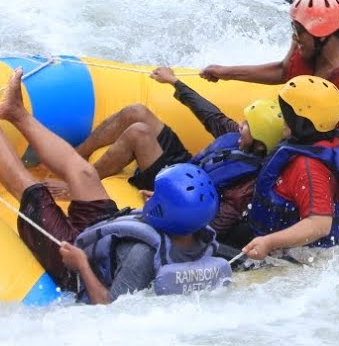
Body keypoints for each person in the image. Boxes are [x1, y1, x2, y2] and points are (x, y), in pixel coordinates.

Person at [0, 63, 230, 303]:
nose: (148, 196)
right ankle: (16, 112)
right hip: (106, 233)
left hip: (80, 263)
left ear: (164, 212)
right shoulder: (199, 235)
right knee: (85, 174)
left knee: (31, 191)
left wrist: (80, 265)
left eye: (155, 198)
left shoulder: (142, 256)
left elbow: (110, 310)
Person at [73, 65, 287, 248]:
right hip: (185, 165)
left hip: (180, 192)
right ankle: (76, 157)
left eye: (247, 125)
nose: (240, 125)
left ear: (260, 140)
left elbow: (216, 224)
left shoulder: (247, 185)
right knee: (136, 112)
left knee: (138, 133)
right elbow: (210, 114)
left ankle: (83, 180)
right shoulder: (238, 138)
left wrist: (166, 201)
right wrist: (175, 82)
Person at [199, 0, 339, 157]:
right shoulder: (306, 43)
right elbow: (283, 71)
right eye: (294, 27)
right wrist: (224, 72)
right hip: (303, 132)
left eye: (298, 31)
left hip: (333, 152)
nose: (294, 36)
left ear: (321, 35)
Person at [240, 75, 339, 260]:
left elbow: (320, 225)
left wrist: (268, 242)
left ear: (301, 122)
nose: (283, 117)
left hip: (287, 257)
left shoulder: (308, 167)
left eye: (287, 113)